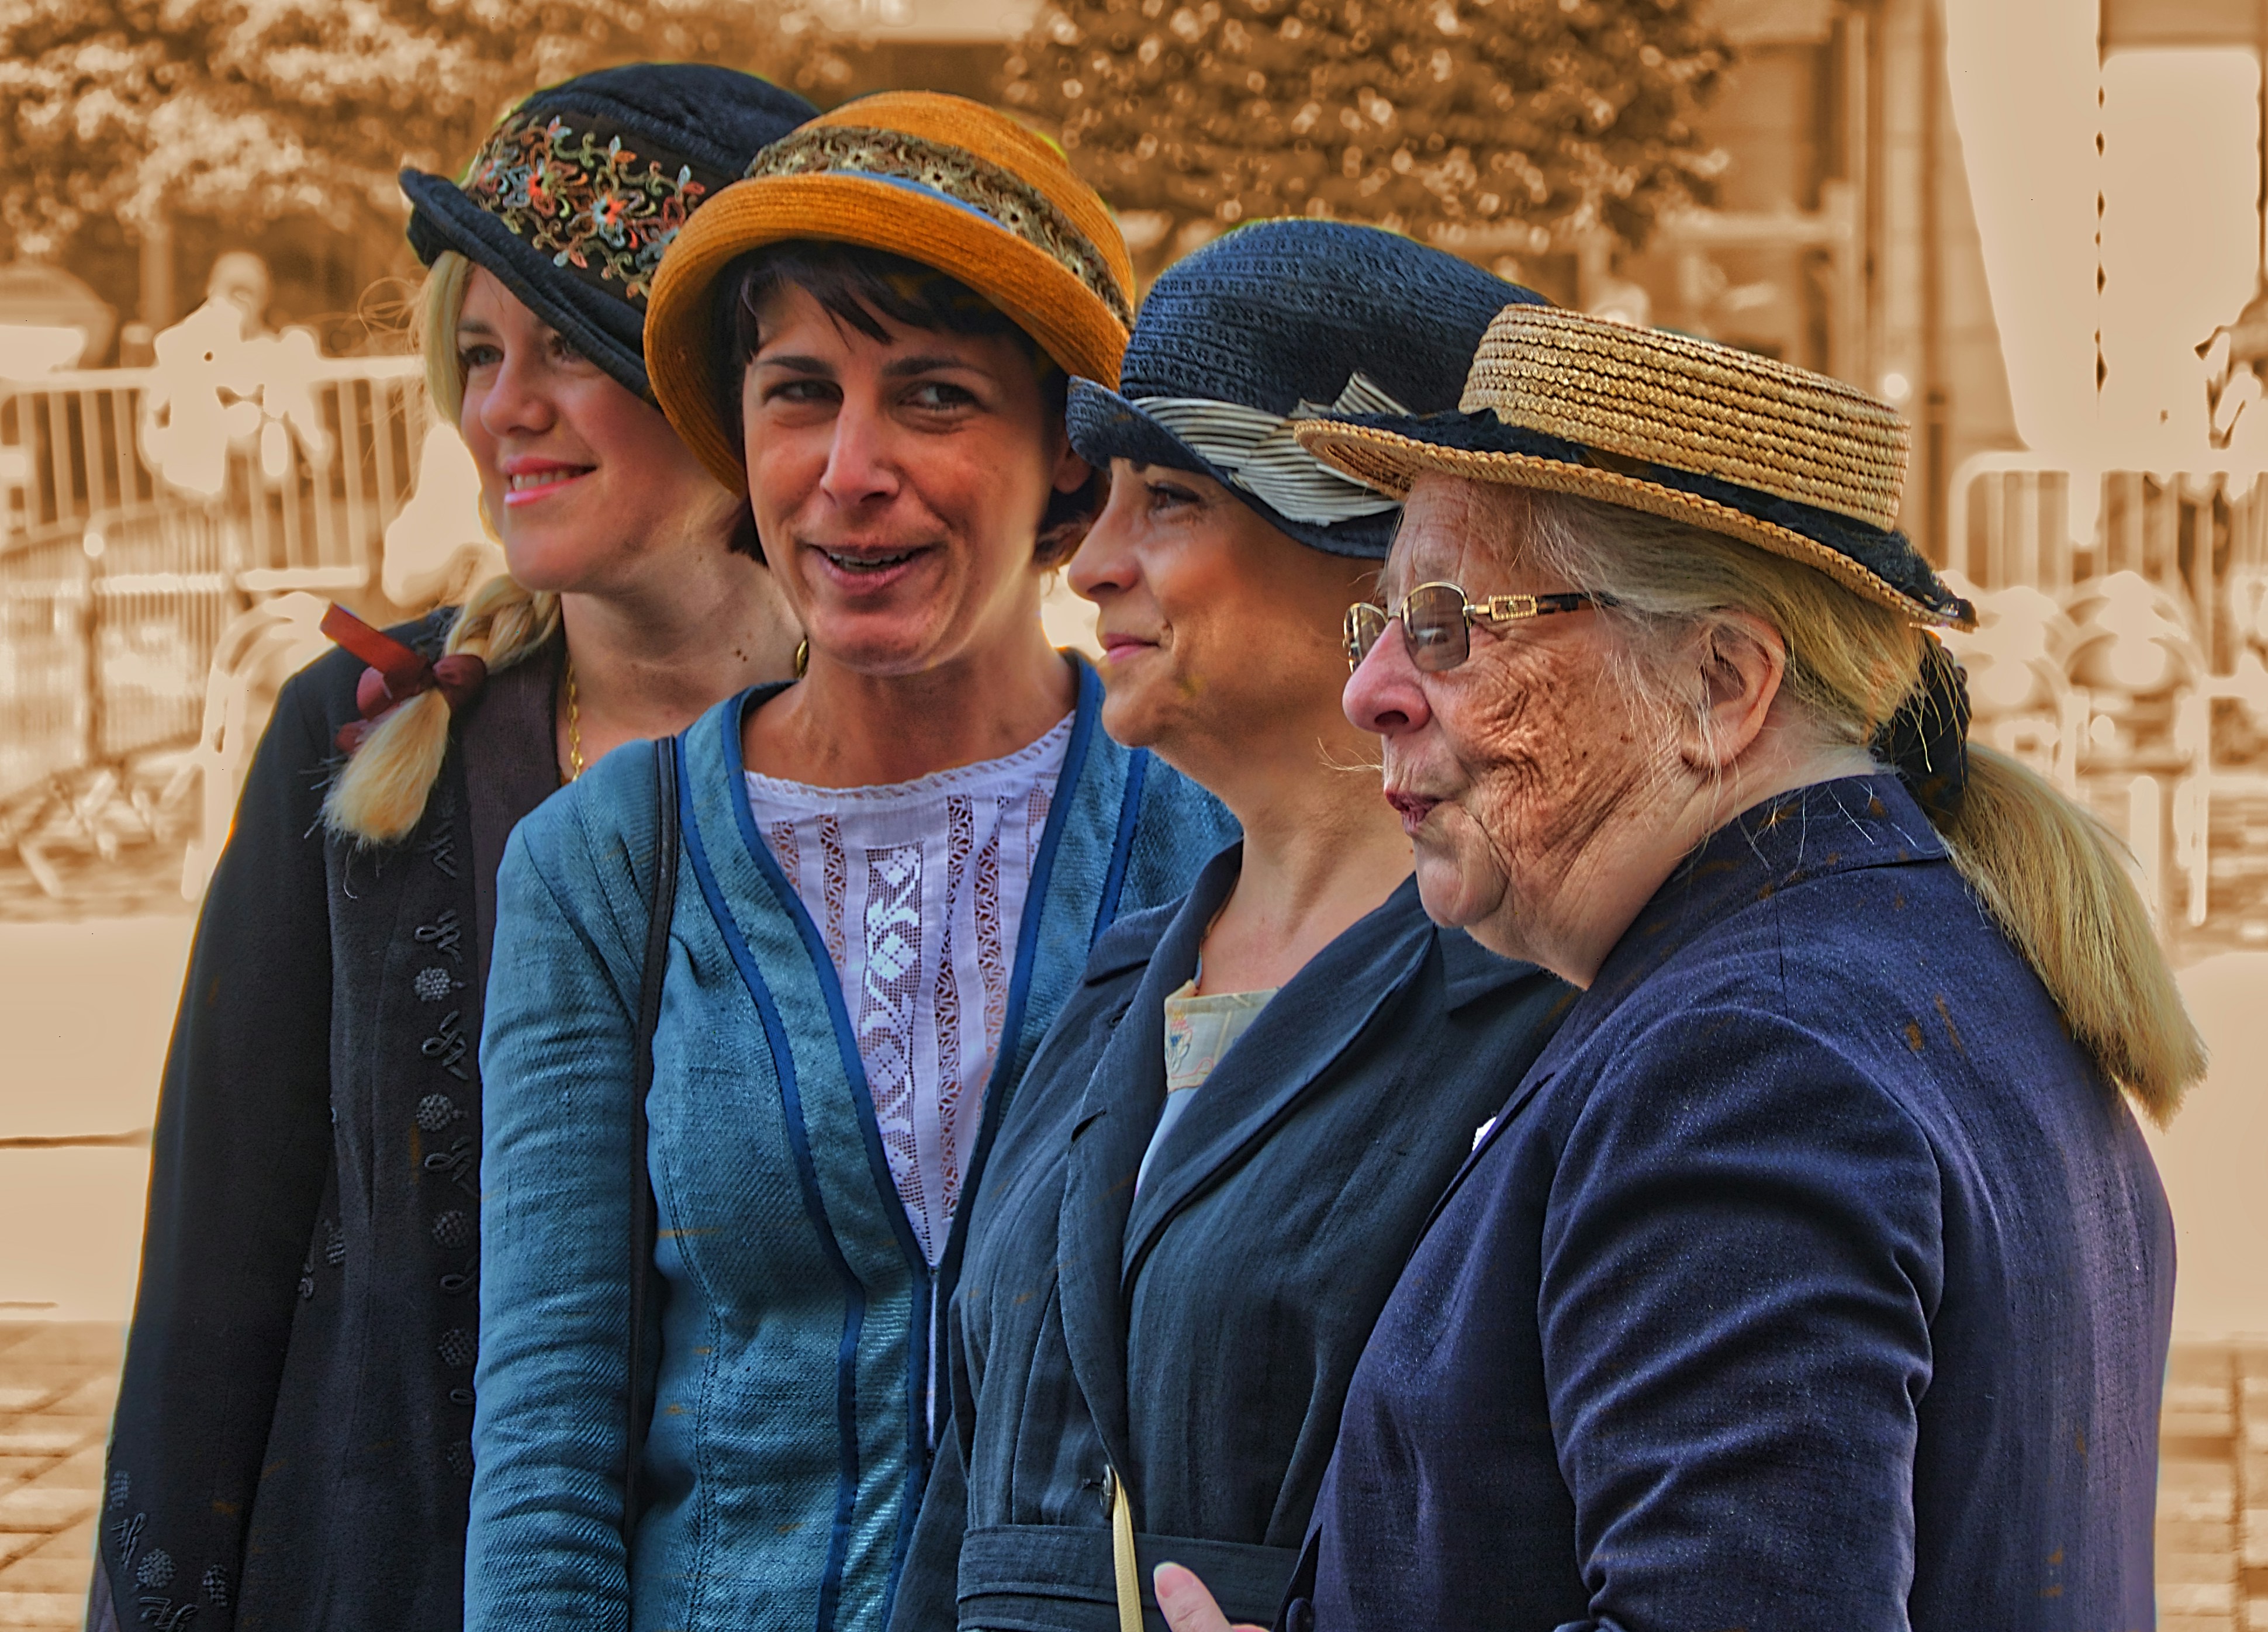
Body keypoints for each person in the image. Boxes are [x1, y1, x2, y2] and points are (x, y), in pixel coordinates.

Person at [1150, 302, 2200, 1632]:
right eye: (1386, 624)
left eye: (1451, 624)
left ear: (1720, 684)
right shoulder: (1909, 969)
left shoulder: (1751, 1060)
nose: (1372, 695)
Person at [465, 92, 1240, 1632]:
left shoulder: (1205, 843)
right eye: (799, 393)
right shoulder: (603, 867)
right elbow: (548, 1445)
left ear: (1064, 453)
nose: (849, 467)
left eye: (936, 397)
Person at [93, 64, 814, 1632]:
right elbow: (215, 1276)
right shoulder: (363, 737)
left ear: (738, 386)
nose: (503, 409)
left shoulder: (914, 761)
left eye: (568, 348)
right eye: (479, 355)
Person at [883, 220, 1573, 1632]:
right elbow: (965, 1515)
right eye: (1105, 496)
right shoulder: (1119, 986)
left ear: (1386, 563)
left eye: (1170, 498)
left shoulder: (1535, 995)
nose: (1092, 562)